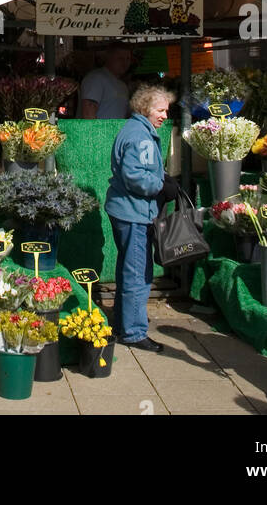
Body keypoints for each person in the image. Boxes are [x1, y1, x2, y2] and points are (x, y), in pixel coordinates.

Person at [104, 83, 175, 352]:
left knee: (128, 270)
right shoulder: (141, 137)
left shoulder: (135, 130)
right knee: (138, 274)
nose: (165, 115)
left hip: (126, 210)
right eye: (161, 110)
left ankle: (124, 324)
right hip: (134, 213)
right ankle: (133, 333)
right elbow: (135, 176)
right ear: (145, 109)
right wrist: (161, 186)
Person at [80, 44, 133, 119]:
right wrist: (92, 130)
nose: (124, 63)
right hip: (100, 130)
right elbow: (88, 111)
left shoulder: (123, 86)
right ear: (109, 58)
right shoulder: (96, 78)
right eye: (120, 59)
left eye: (128, 59)